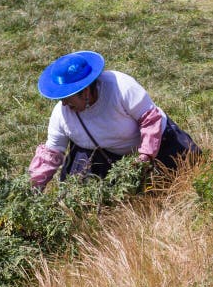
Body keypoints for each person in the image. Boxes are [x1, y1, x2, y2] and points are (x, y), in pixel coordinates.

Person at [29, 51, 200, 190]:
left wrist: (145, 157)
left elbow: (150, 120)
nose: (64, 103)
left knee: (188, 178)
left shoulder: (121, 87)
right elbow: (51, 155)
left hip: (160, 143)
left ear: (86, 91)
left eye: (68, 97)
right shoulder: (61, 115)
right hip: (107, 155)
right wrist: (32, 188)